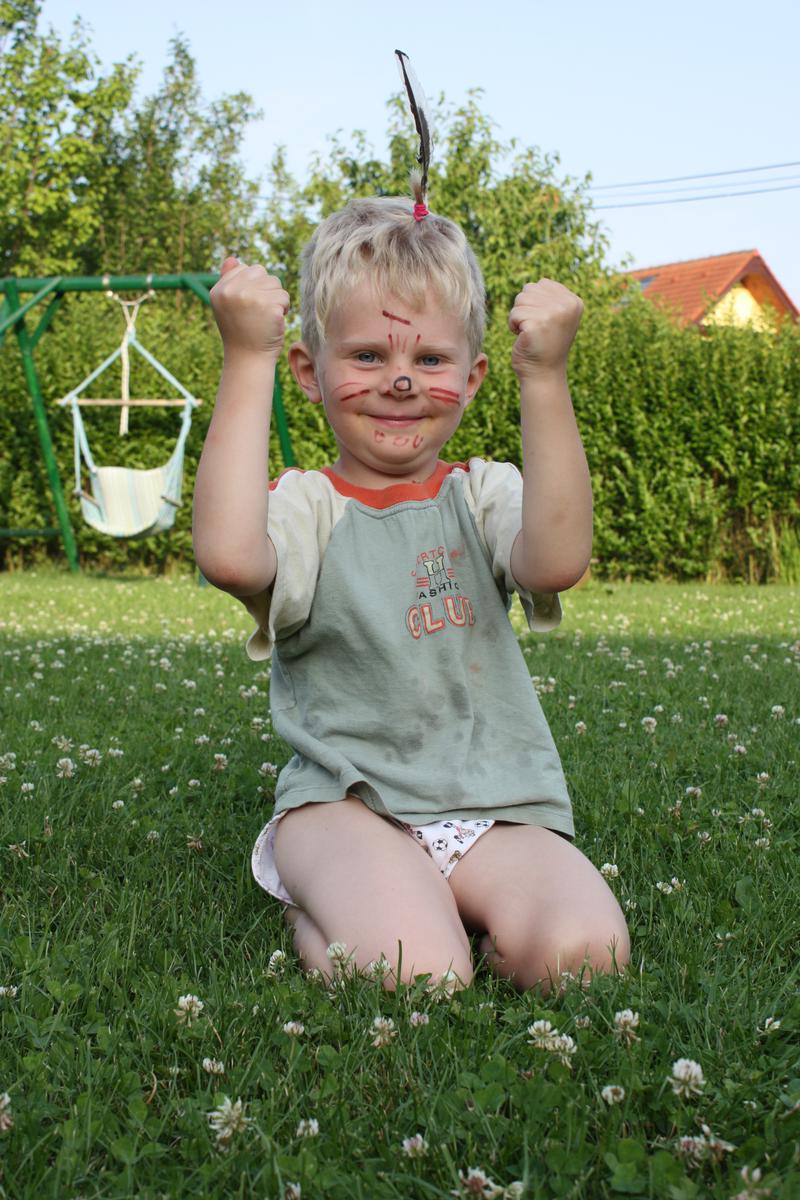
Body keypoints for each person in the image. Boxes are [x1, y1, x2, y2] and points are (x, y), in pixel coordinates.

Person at [192, 182, 630, 995]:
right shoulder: (309, 506)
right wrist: (245, 358)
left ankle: (430, 899)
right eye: (367, 356)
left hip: (492, 806)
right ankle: (316, 903)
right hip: (346, 808)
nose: (401, 381)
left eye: (430, 359)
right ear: (310, 372)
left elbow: (556, 559)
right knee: (422, 975)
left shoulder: (481, 493)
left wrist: (548, 376)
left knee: (586, 957)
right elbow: (229, 556)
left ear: (471, 378)